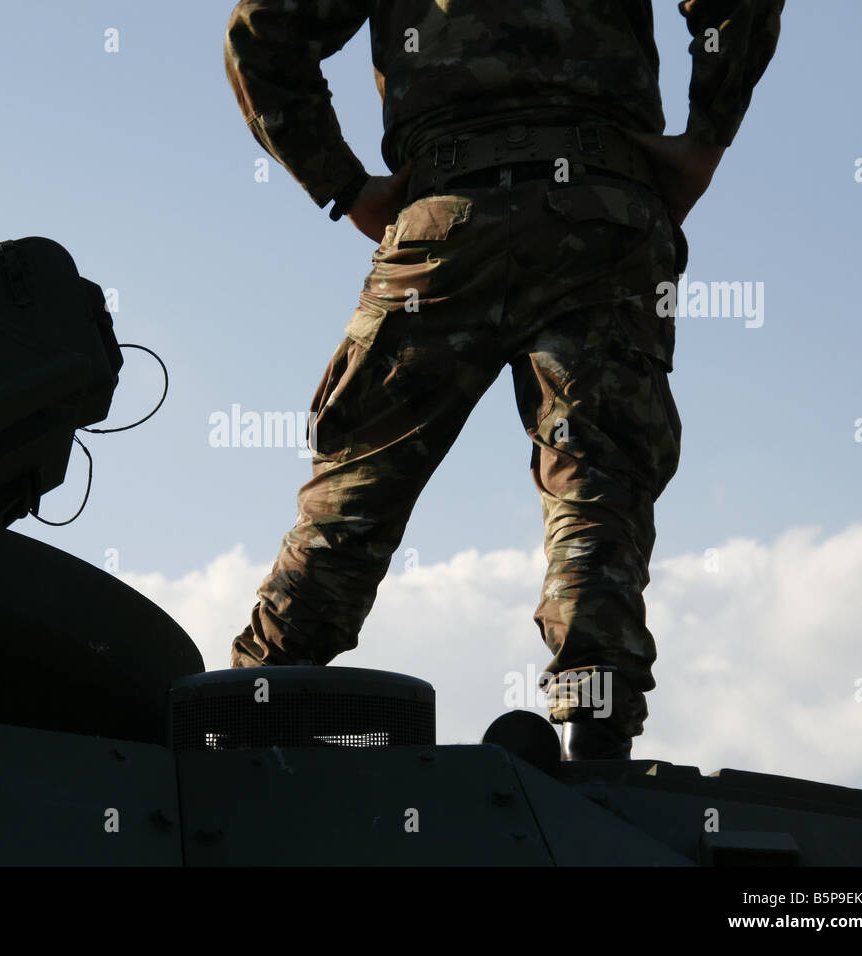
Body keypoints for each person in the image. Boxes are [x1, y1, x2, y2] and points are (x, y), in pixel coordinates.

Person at [222, 0, 784, 759]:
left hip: (445, 211)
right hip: (603, 209)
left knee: (355, 491)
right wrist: (707, 134)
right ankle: (596, 734)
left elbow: (261, 32)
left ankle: (244, 715)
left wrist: (346, 186)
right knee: (595, 481)